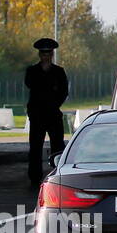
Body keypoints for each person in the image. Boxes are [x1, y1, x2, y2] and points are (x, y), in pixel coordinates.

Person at [25, 38, 69, 186]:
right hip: (37, 115)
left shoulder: (59, 72)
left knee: (57, 146)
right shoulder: (32, 71)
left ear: (52, 54)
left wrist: (54, 104)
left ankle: (58, 175)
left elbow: (63, 92)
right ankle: (34, 177)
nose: (46, 56)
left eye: (48, 53)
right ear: (39, 55)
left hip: (53, 114)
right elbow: (30, 84)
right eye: (43, 54)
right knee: (35, 147)